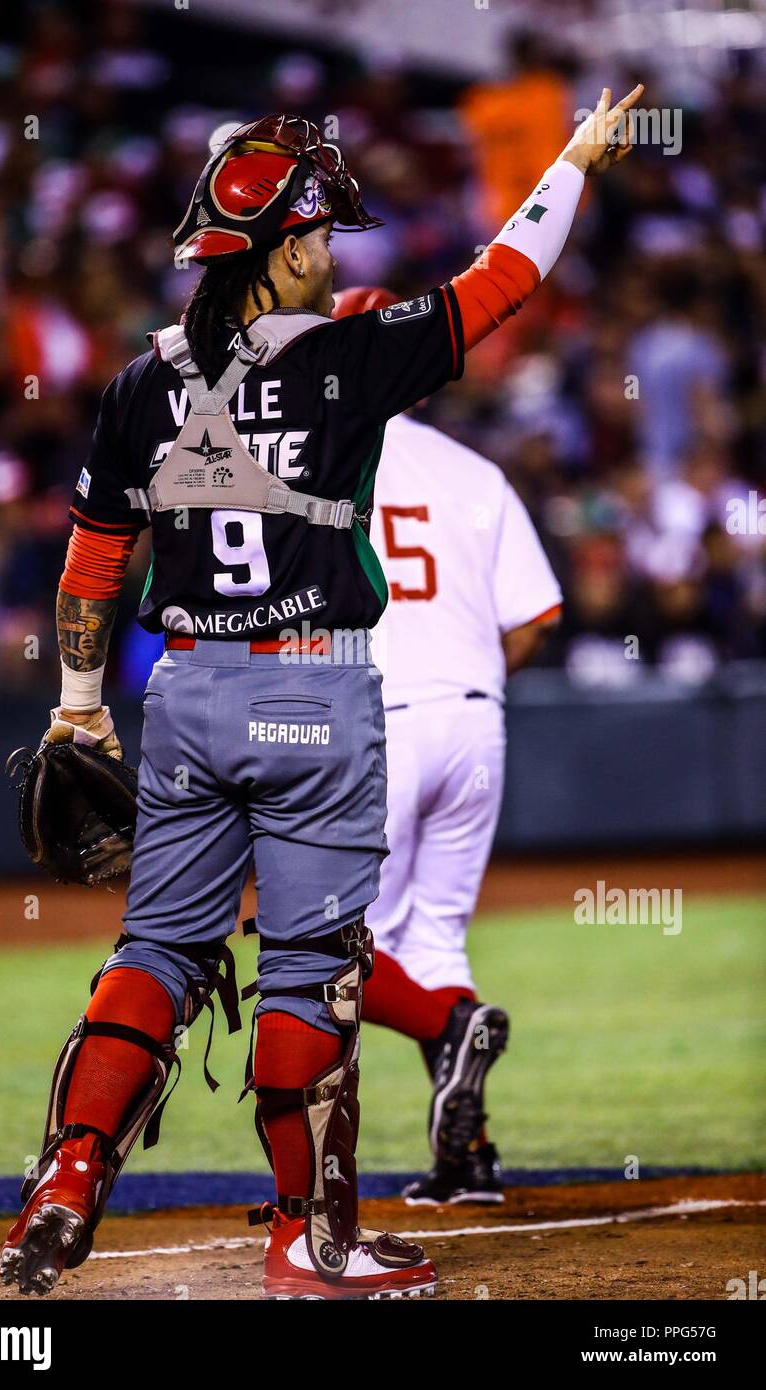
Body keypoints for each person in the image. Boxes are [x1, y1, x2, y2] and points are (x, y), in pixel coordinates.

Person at [0, 90, 642, 1300]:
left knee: (157, 952)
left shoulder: (143, 384)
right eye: (322, 238)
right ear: (289, 247)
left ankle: (68, 1175)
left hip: (183, 697)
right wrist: (570, 163)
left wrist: (78, 705)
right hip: (317, 700)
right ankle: (308, 1241)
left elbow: (92, 563)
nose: (329, 256)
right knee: (307, 973)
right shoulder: (349, 360)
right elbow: (501, 280)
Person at [338, 278, 563, 1205]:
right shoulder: (477, 471)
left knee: (324, 949)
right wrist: (468, 681)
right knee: (433, 937)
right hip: (477, 719)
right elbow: (539, 615)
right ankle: (468, 1159)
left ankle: (318, 1184)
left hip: (377, 721)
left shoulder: (317, 461)